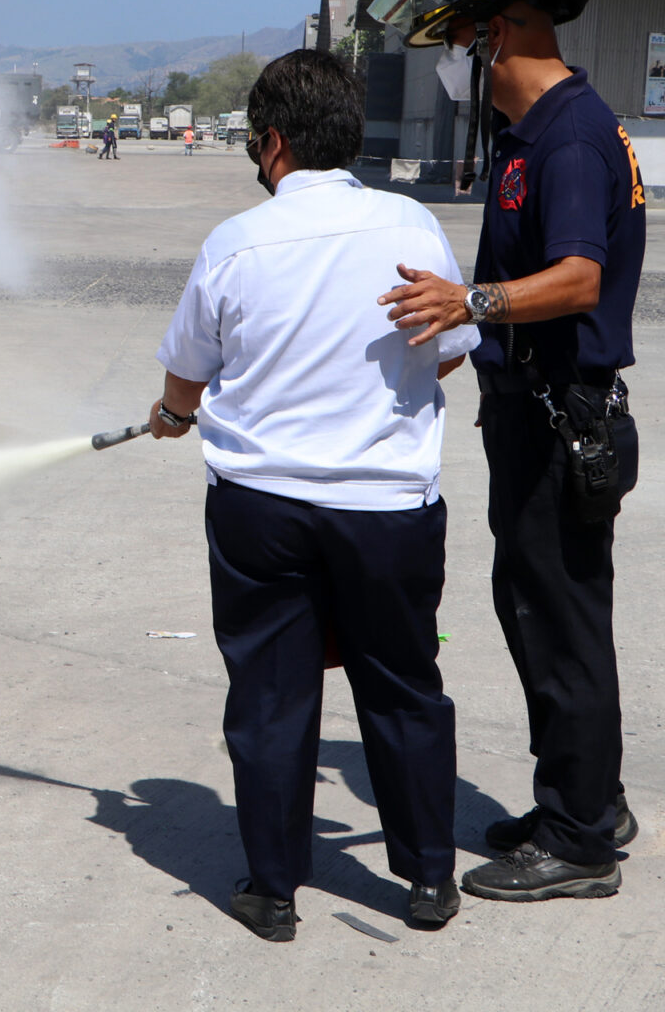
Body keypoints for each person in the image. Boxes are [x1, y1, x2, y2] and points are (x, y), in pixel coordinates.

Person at [150, 49, 480, 940]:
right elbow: (451, 348)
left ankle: (274, 889)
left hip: (263, 510)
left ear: (276, 143)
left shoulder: (236, 242)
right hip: (389, 507)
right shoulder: (412, 224)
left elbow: (187, 374)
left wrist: (173, 415)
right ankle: (427, 882)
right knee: (404, 686)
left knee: (270, 693)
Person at [372, 0, 646, 903]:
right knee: (541, 614)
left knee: (559, 621)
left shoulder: (569, 137)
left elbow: (577, 278)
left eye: (459, 36)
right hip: (532, 407)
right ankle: (586, 798)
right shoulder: (531, 133)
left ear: (505, 28)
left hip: (563, 420)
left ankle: (578, 842)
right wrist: (474, 343)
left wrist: (470, 304)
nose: (454, 59)